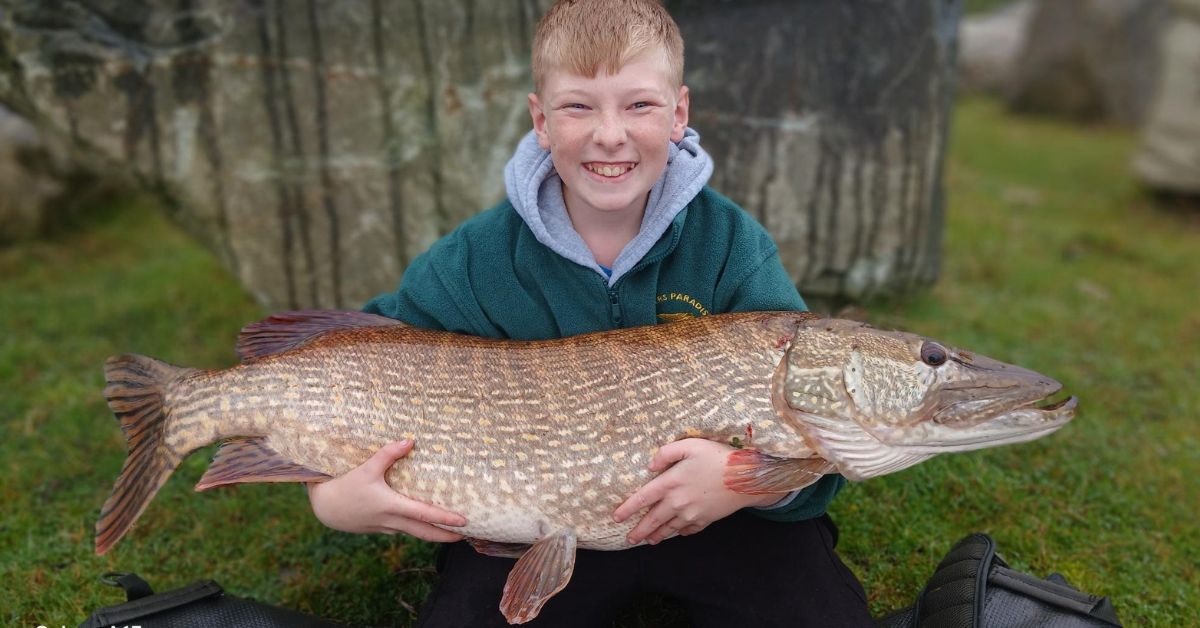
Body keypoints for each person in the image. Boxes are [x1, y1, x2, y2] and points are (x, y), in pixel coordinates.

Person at [307, 1, 873, 625]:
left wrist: (738, 483)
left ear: (679, 113)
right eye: (578, 106)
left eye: (639, 105)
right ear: (541, 120)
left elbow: (821, 442)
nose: (610, 134)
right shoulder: (472, 261)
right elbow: (360, 361)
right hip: (529, 526)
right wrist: (330, 498)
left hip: (720, 518)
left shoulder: (730, 248)